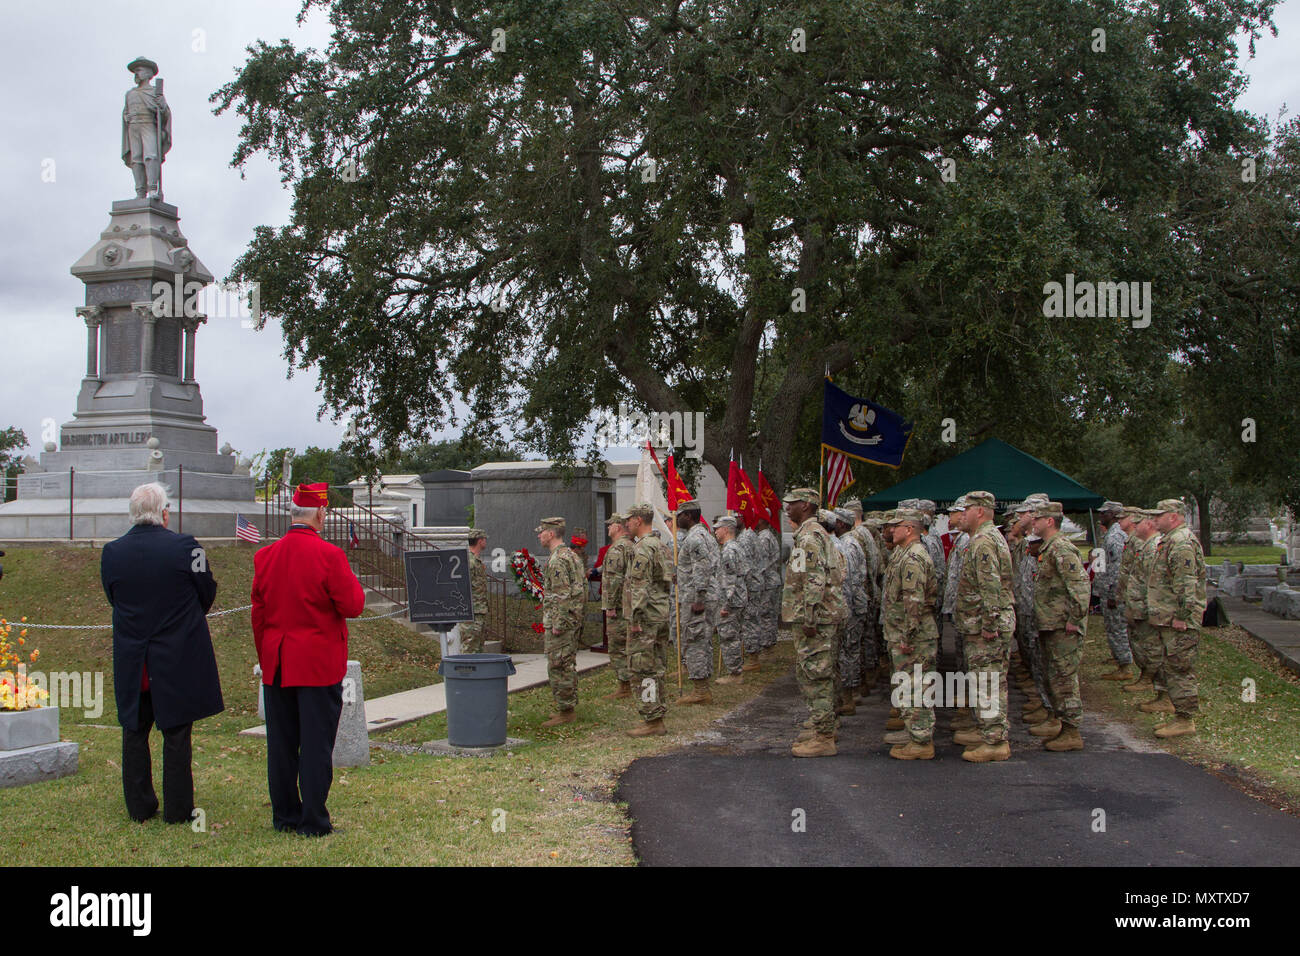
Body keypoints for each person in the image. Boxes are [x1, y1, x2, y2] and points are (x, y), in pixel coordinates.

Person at [102, 482, 223, 824]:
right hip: (177, 655)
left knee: (135, 732)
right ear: (164, 514)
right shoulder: (189, 548)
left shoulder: (111, 552)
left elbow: (114, 597)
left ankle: (140, 806)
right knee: (176, 734)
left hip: (134, 657)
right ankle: (178, 808)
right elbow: (206, 593)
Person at [252, 482, 365, 836]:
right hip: (316, 662)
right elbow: (353, 605)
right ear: (319, 513)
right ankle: (314, 820)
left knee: (281, 744)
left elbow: (259, 615)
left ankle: (285, 816)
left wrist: (267, 655)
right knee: (316, 744)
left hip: (279, 660)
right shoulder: (329, 556)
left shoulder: (265, 556)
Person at [951, 490, 1016, 763]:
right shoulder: (984, 539)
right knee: (988, 680)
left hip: (986, 625)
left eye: (965, 510)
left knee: (988, 681)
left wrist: (989, 623)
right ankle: (989, 730)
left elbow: (991, 587)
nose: (960, 515)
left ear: (980, 511)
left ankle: (994, 740)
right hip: (983, 622)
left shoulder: (984, 542)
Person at [782, 488, 839, 757]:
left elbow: (813, 577)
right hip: (815, 614)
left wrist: (810, 614)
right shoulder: (810, 534)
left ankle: (824, 736)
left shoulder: (810, 536)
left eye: (791, 503)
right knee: (812, 672)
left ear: (806, 505)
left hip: (815, 617)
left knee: (816, 674)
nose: (786, 507)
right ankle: (821, 726)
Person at [1031, 501, 1092, 751]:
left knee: (1064, 678)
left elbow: (1080, 587)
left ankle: (1072, 731)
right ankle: (1063, 725)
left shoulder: (1062, 549)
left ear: (1050, 521)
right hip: (1051, 624)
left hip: (1062, 626)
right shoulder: (1049, 548)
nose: (1032, 523)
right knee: (1053, 677)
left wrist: (1074, 620)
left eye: (1037, 519)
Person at [1144, 498, 1207, 738]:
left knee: (1180, 667)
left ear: (1173, 516)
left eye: (1159, 515)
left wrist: (1182, 615)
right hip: (1168, 618)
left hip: (1178, 620)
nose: (1154, 520)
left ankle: (1185, 719)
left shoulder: (1180, 543)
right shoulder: (1170, 541)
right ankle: (1179, 714)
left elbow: (1185, 585)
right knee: (1172, 666)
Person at [881, 507, 939, 759]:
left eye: (896, 526)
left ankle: (922, 740)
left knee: (916, 685)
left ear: (909, 529)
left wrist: (906, 635)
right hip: (902, 631)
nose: (891, 530)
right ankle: (912, 730)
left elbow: (913, 600)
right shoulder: (903, 553)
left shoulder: (913, 557)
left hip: (912, 634)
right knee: (906, 685)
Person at [622, 502, 674, 736]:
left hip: (646, 618)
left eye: (629, 520)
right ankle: (657, 715)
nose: (626, 524)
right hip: (660, 613)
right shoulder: (661, 545)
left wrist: (634, 619)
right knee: (657, 666)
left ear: (638, 521)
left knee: (643, 669)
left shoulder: (642, 548)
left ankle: (652, 719)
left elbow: (639, 587)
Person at [536, 516, 585, 727]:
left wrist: (559, 624)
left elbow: (562, 595)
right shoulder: (571, 555)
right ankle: (567, 706)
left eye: (541, 532)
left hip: (562, 623)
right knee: (567, 663)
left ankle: (566, 710)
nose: (539, 536)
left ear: (551, 534)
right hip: (572, 619)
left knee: (559, 665)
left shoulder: (557, 560)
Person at [675, 500, 720, 704]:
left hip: (697, 599)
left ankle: (701, 691)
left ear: (689, 516)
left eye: (680, 514)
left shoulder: (695, 538)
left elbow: (701, 568)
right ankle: (703, 687)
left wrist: (698, 598)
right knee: (702, 640)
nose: (676, 518)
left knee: (694, 641)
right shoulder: (705, 535)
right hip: (701, 595)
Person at [832, 508, 867, 715]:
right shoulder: (847, 542)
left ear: (842, 524)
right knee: (849, 651)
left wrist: (844, 608)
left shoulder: (848, 544)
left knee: (848, 651)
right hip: (852, 603)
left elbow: (851, 580)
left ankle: (849, 695)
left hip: (851, 604)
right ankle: (850, 691)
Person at [1097, 501, 1136, 681]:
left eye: (1104, 513)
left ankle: (1125, 665)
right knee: (1113, 627)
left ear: (1113, 514)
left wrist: (1113, 593)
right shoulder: (1109, 535)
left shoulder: (1116, 536)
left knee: (1117, 628)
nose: (1100, 516)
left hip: (1114, 591)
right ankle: (1120, 658)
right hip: (1108, 589)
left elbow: (1118, 567)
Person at [600, 514, 636, 700]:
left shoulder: (617, 549)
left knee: (617, 646)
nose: (608, 528)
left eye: (610, 525)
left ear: (619, 526)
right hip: (629, 604)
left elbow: (614, 580)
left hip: (619, 606)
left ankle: (625, 686)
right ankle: (629, 683)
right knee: (628, 644)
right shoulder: (631, 546)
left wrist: (611, 605)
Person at [713, 516, 748, 684]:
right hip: (739, 598)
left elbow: (729, 580)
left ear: (726, 529)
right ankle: (736, 670)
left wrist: (725, 605)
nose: (715, 531)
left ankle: (735, 674)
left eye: (718, 528)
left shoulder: (728, 550)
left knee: (729, 636)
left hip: (731, 601)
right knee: (734, 634)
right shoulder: (736, 547)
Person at [460, 529, 489, 653]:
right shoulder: (469, 561)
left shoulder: (476, 561)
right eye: (484, 539)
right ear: (480, 541)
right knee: (469, 647)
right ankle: (466, 671)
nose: (486, 542)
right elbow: (462, 586)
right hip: (471, 613)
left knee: (478, 647)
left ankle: (477, 672)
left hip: (479, 611)